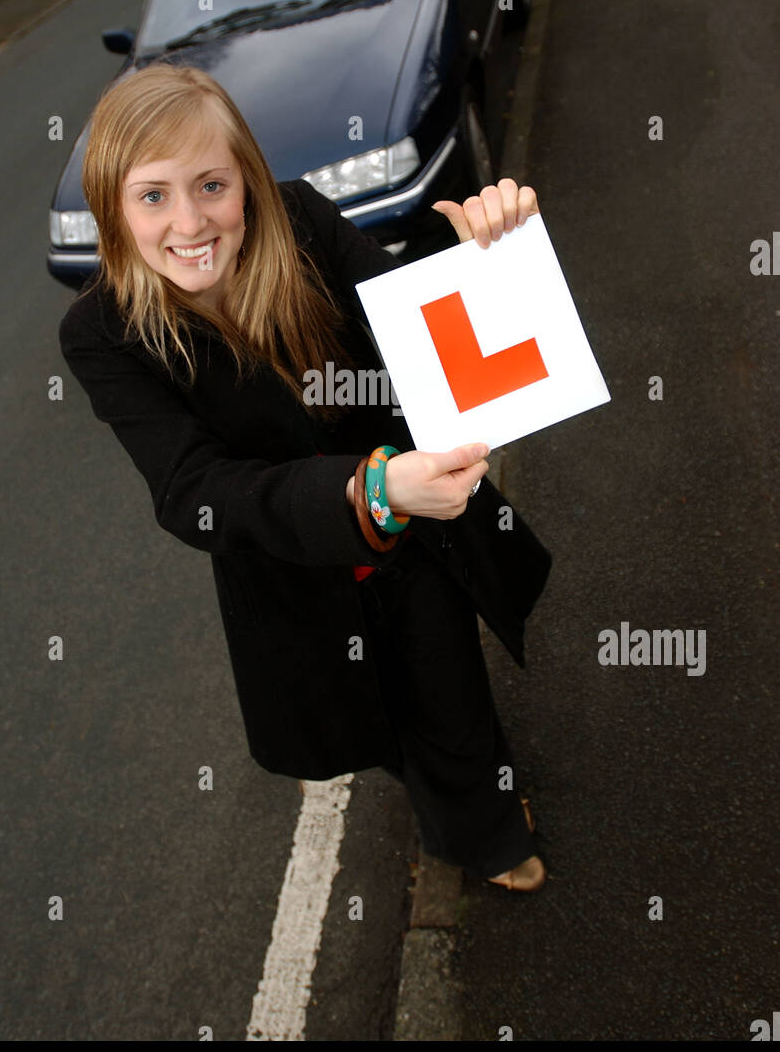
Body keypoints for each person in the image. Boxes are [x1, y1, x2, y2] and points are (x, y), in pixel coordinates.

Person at [58, 62, 553, 892]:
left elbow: (404, 310)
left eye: (212, 185)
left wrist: (475, 248)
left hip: (412, 536)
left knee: (450, 690)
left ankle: (490, 831)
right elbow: (194, 491)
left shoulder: (301, 221)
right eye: (153, 196)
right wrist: (362, 492)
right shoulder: (101, 334)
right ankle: (448, 804)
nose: (189, 221)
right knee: (371, 723)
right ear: (114, 206)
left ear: (246, 180)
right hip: (292, 577)